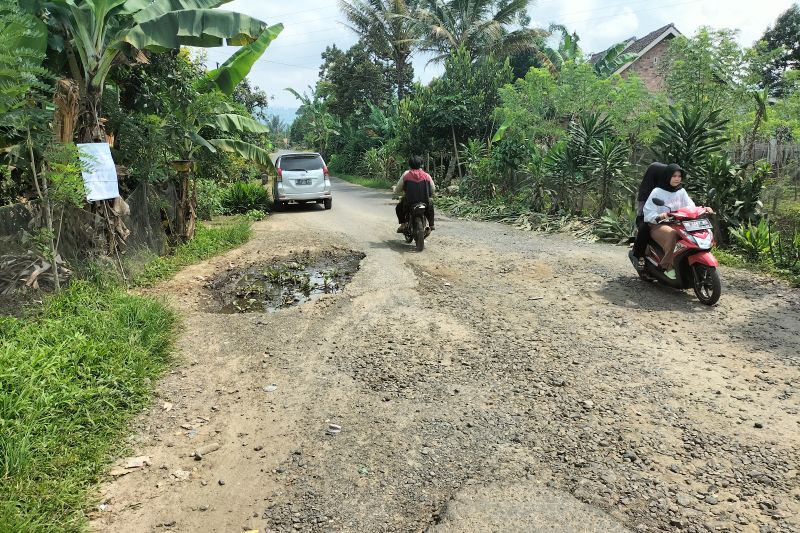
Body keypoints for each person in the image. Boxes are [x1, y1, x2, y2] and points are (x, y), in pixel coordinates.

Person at [642, 164, 713, 279]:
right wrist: (659, 216)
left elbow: (691, 207)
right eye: (674, 176)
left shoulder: (681, 191)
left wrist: (703, 209)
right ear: (667, 176)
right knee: (673, 235)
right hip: (658, 225)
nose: (677, 178)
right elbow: (648, 212)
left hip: (678, 223)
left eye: (679, 176)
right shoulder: (657, 192)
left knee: (694, 235)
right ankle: (666, 266)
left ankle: (686, 263)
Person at [632, 162, 669, 269]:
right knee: (644, 228)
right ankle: (640, 256)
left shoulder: (668, 188)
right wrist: (654, 216)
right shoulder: (646, 191)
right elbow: (642, 211)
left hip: (668, 217)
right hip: (647, 218)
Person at [394, 155, 436, 233]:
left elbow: (398, 189)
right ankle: (431, 224)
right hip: (424, 202)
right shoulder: (427, 175)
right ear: (421, 164)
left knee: (399, 207)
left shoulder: (406, 174)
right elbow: (433, 189)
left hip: (409, 203)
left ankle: (403, 225)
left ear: (410, 165)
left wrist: (395, 190)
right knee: (430, 205)